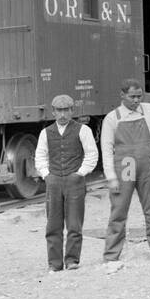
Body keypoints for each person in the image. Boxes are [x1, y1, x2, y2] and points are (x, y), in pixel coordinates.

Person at [101, 78, 150, 263]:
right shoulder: (113, 118)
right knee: (119, 212)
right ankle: (111, 256)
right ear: (122, 95)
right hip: (125, 168)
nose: (136, 100)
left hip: (146, 166)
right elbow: (106, 149)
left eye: (139, 96)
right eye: (132, 97)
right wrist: (111, 177)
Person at [35, 93, 98, 271]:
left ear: (72, 111)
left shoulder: (83, 130)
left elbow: (92, 153)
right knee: (53, 223)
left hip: (75, 181)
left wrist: (80, 173)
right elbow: (40, 156)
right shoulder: (45, 133)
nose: (62, 115)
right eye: (59, 111)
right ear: (53, 112)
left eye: (66, 110)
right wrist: (47, 175)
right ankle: (54, 263)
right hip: (53, 181)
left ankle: (72, 260)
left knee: (74, 223)